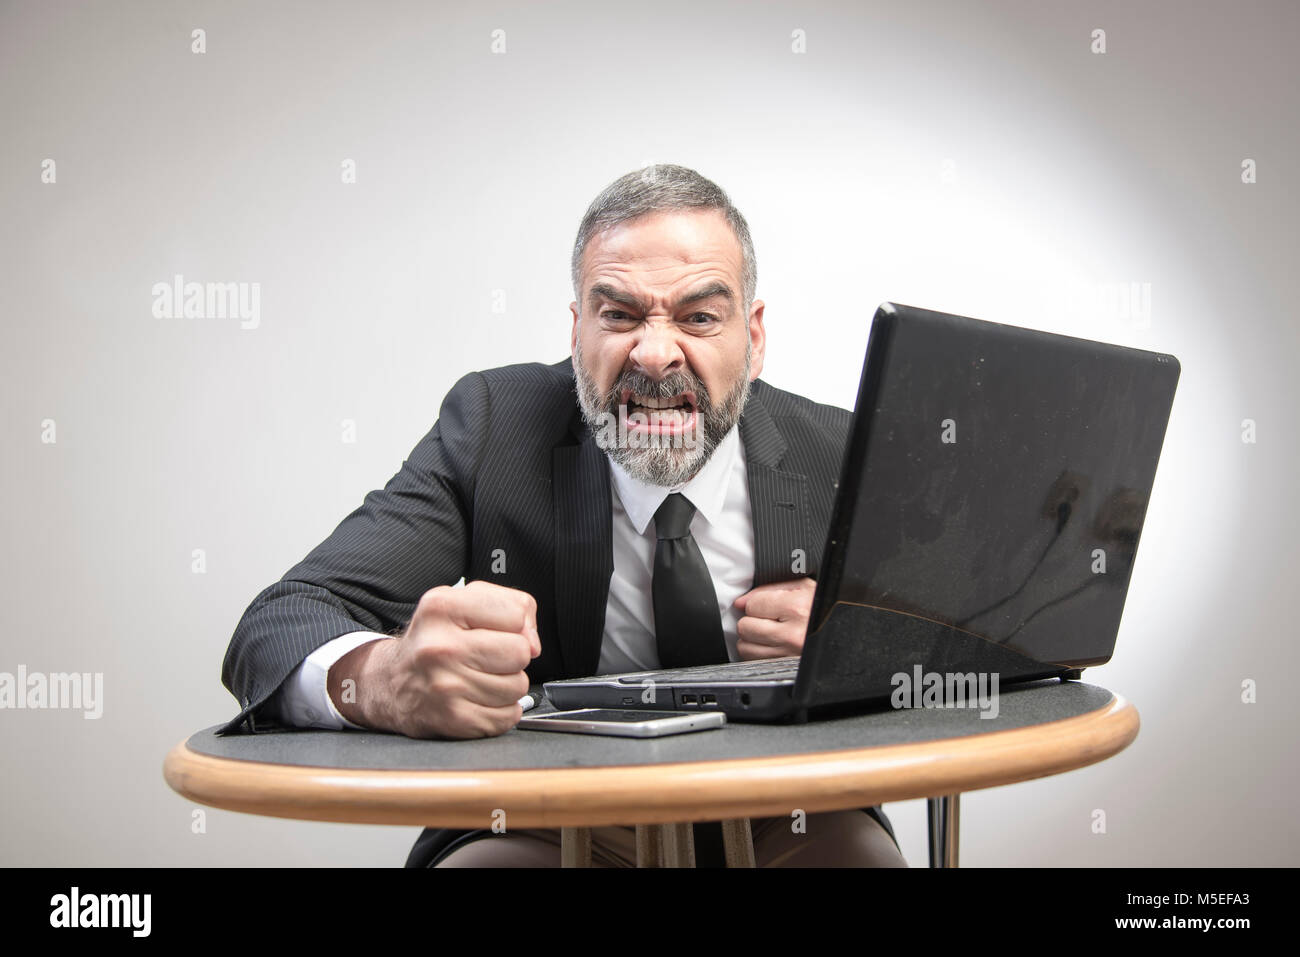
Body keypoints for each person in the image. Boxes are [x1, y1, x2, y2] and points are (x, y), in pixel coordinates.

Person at [220, 164, 907, 867]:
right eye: (619, 314)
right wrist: (385, 678)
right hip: (537, 812)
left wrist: (865, 643)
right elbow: (279, 622)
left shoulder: (841, 450)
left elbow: (992, 628)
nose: (655, 352)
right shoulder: (495, 428)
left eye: (699, 316)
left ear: (753, 338)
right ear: (577, 329)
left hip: (785, 813)